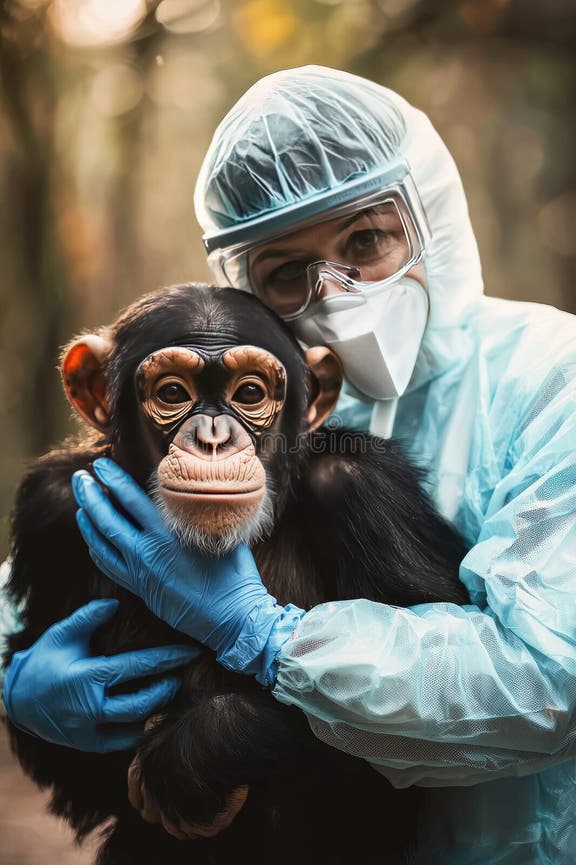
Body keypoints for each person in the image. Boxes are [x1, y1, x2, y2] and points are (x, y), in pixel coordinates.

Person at [3, 66, 576, 863]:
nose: (336, 291)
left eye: (367, 239)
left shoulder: (554, 377)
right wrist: (14, 676)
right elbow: (46, 575)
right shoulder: (265, 388)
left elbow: (554, 683)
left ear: (429, 217)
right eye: (287, 270)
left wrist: (269, 641)